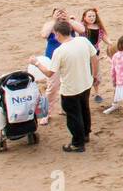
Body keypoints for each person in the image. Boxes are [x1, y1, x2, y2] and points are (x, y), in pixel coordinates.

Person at [29, 20, 98, 153]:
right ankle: (85, 135)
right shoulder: (83, 41)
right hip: (86, 83)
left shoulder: (59, 51)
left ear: (58, 34)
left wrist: (36, 63)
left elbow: (50, 73)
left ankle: (77, 143)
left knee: (73, 115)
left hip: (70, 89)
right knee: (84, 109)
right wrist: (94, 75)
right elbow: (94, 58)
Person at [81, 8, 111, 104]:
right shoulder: (82, 27)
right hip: (84, 55)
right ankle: (84, 94)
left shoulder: (99, 28)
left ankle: (97, 93)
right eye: (89, 16)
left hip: (95, 54)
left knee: (96, 73)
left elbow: (105, 38)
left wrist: (111, 44)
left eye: (93, 16)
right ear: (84, 17)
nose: (91, 18)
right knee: (85, 74)